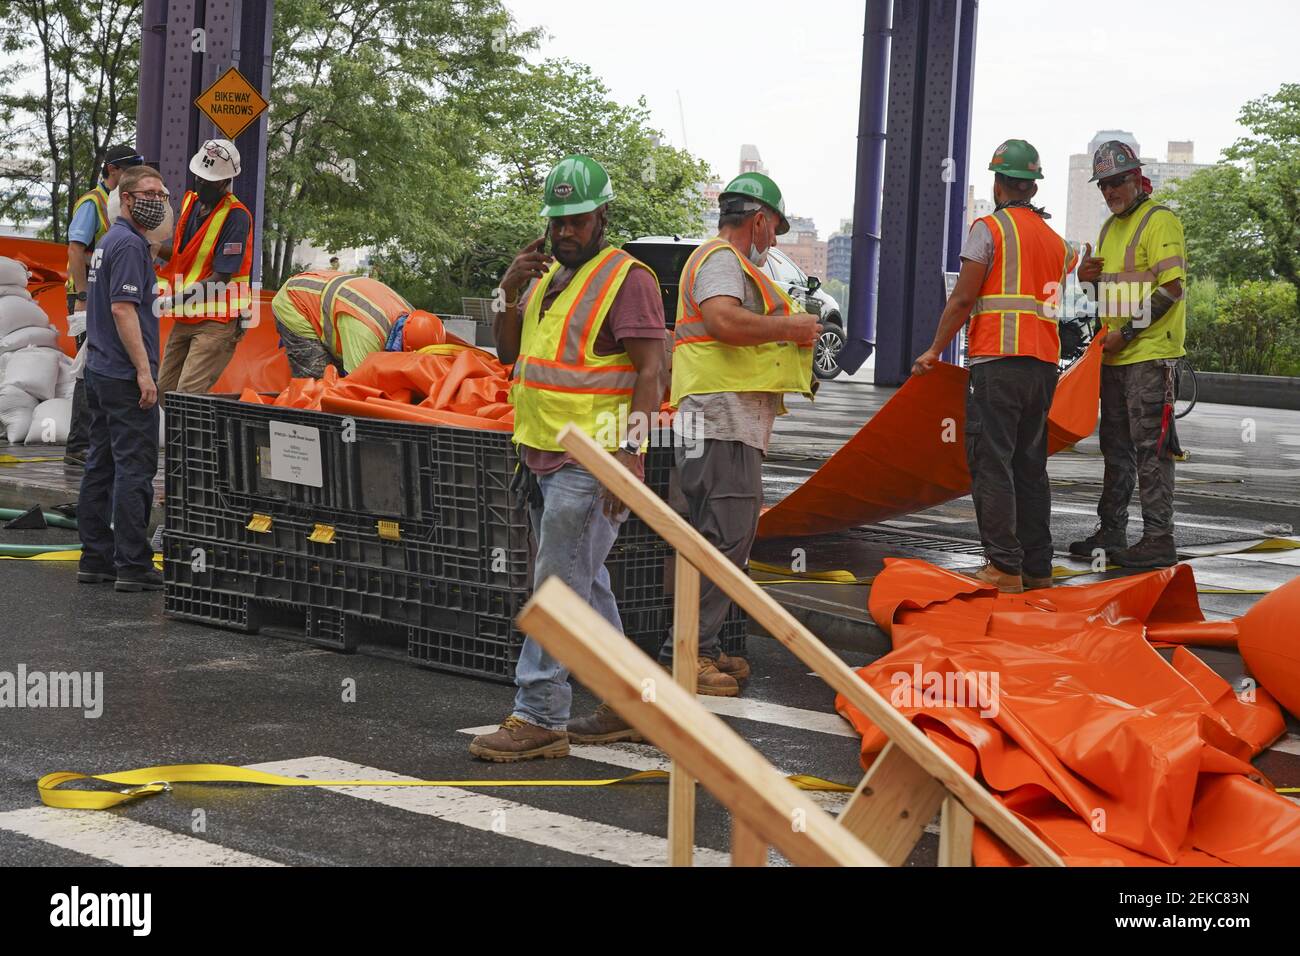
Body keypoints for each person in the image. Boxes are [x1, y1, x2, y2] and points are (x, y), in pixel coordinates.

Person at [468, 155, 666, 762]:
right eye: (557, 222)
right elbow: (510, 354)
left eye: (577, 221)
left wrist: (629, 455)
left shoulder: (626, 279)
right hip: (543, 456)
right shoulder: (550, 279)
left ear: (602, 216)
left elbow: (653, 369)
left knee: (558, 584)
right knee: (584, 581)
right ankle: (629, 702)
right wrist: (508, 290)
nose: (564, 233)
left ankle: (539, 713)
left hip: (593, 461)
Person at [656, 171, 817, 694]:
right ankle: (688, 654)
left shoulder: (731, 263)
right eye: (774, 229)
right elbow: (723, 320)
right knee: (725, 537)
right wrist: (791, 328)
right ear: (758, 220)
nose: (774, 240)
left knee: (716, 534)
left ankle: (701, 645)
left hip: (724, 422)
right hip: (720, 421)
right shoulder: (722, 260)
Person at [912, 139, 1078, 593]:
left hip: (998, 364)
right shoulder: (1055, 241)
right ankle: (1037, 569)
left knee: (992, 464)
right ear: (1032, 185)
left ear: (999, 183)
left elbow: (963, 297)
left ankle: (1003, 567)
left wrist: (933, 349)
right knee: (1030, 466)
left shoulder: (989, 229)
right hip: (1043, 366)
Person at [1068, 140, 1187, 569]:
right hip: (1115, 357)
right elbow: (1101, 296)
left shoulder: (1160, 222)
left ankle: (1158, 538)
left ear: (1137, 178)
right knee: (1115, 448)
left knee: (1150, 450)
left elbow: (1173, 288)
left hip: (1148, 357)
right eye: (1103, 185)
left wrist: (1126, 333)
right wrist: (1084, 280)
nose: (1110, 191)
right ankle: (1112, 531)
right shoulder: (1108, 228)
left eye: (1117, 182)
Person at [77, 165, 167, 592]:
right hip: (123, 375)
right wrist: (145, 373)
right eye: (150, 193)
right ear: (127, 198)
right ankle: (133, 563)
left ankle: (95, 557)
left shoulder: (111, 242)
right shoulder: (128, 245)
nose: (159, 200)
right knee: (135, 467)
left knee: (101, 463)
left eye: (163, 194)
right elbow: (122, 310)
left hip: (99, 370)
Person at [64, 144, 145, 470]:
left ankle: (94, 441)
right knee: (88, 369)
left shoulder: (117, 204)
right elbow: (75, 250)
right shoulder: (92, 203)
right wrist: (82, 296)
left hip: (104, 295)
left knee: (102, 366)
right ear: (113, 170)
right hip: (87, 298)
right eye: (129, 171)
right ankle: (79, 444)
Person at [155, 138, 253, 395]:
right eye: (198, 177)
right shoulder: (192, 204)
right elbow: (184, 257)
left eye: (207, 181)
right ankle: (176, 434)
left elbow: (221, 278)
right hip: (187, 314)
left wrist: (171, 301)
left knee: (188, 395)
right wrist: (153, 248)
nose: (200, 184)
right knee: (164, 389)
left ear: (224, 182)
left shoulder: (236, 217)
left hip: (217, 320)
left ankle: (192, 436)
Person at [270, 271, 415, 376]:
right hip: (295, 302)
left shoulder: (411, 313)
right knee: (318, 378)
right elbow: (355, 386)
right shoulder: (366, 335)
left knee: (336, 373)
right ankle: (305, 415)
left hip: (318, 293)